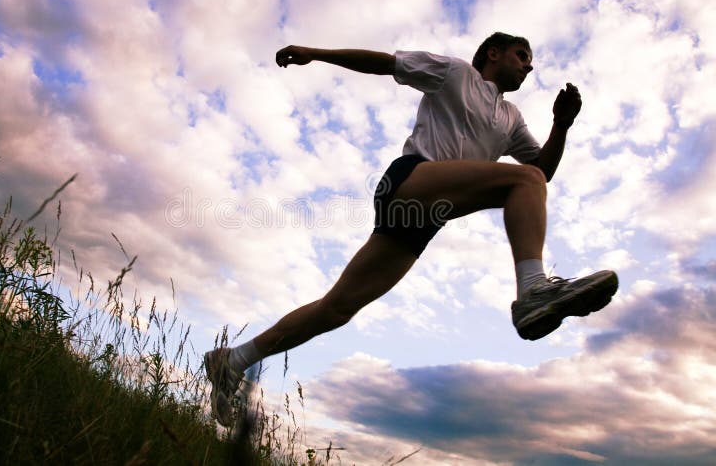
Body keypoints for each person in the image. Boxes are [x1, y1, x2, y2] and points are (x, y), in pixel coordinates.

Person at [204, 33, 618, 426]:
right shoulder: (454, 72)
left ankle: (233, 360)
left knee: (336, 309)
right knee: (523, 180)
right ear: (493, 53)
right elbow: (386, 64)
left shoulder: (510, 117)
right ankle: (532, 290)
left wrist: (560, 126)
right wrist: (315, 52)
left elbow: (541, 173)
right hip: (409, 180)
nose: (529, 67)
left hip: (425, 220)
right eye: (521, 56)